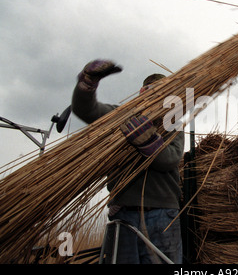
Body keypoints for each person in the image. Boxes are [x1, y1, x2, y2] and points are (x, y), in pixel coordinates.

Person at [71, 59, 184, 264]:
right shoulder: (123, 118)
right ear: (142, 93)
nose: (157, 98)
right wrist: (87, 83)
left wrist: (150, 142)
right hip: (123, 214)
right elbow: (86, 110)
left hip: (161, 214)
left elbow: (170, 160)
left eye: (163, 94)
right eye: (152, 93)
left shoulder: (172, 125)